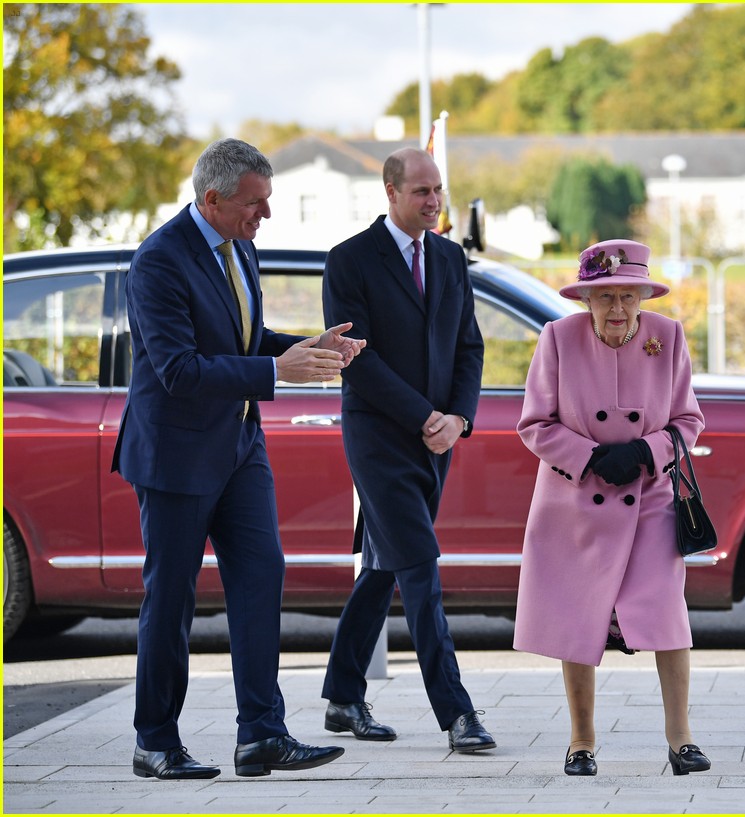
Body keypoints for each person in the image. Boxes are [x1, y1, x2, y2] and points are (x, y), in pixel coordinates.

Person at [112, 138, 366, 779]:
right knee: (170, 602)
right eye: (256, 204)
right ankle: (155, 743)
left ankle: (261, 735)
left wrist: (310, 348)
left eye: (268, 202)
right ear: (213, 199)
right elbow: (177, 370)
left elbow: (244, 341)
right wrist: (277, 372)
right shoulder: (158, 262)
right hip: (175, 455)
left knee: (260, 581)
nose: (266, 216)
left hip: (240, 446)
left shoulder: (238, 244)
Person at [513, 238, 712, 777]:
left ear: (644, 296)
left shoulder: (667, 337)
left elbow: (688, 420)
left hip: (649, 498)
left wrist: (646, 450)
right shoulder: (558, 338)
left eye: (629, 295)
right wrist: (592, 455)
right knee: (578, 617)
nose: (618, 309)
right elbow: (534, 424)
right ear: (586, 300)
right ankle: (581, 742)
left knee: (666, 613)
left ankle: (682, 740)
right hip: (575, 501)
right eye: (605, 297)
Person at [319, 147, 494, 754]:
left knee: (384, 565)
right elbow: (355, 360)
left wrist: (458, 419)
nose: (434, 200)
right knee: (419, 566)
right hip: (378, 438)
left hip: (438, 439)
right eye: (421, 191)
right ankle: (457, 712)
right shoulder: (349, 261)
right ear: (390, 192)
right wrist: (426, 416)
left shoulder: (448, 257)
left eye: (438, 189)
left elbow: (469, 347)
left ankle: (343, 696)